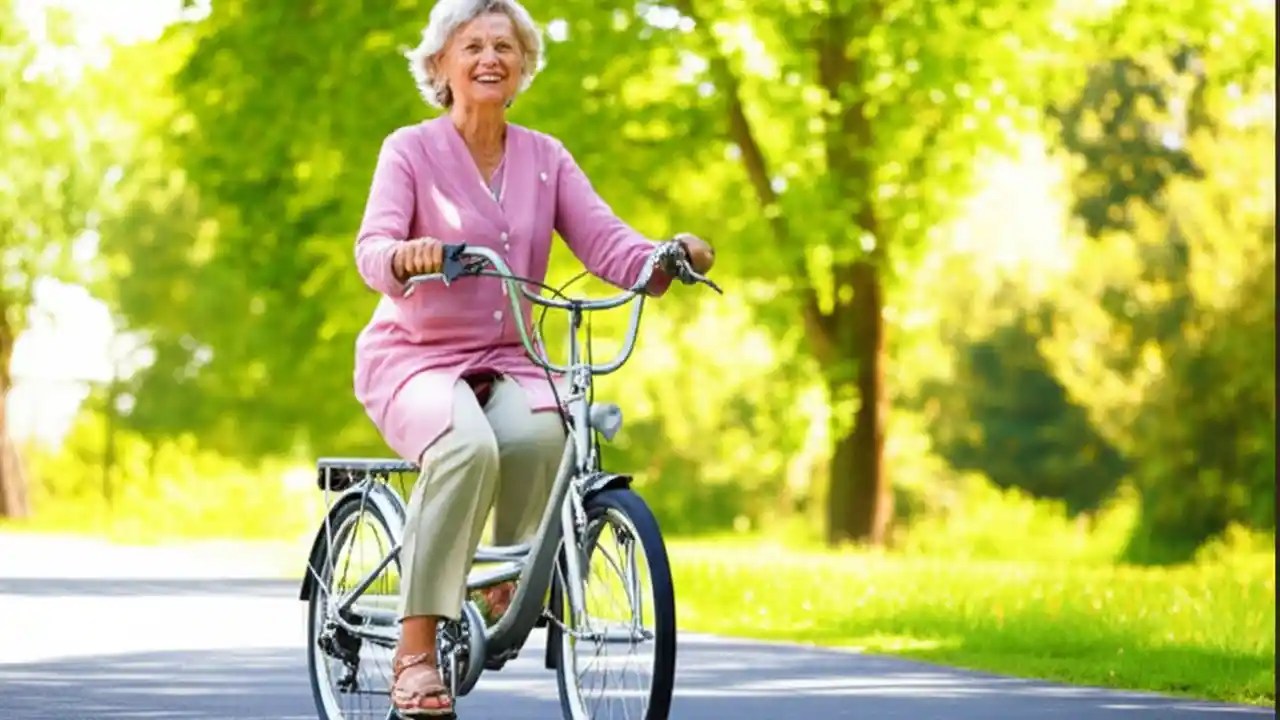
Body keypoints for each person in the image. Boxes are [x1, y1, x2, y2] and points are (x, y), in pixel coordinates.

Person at [351, 0, 715, 715]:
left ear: (522, 69)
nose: (491, 58)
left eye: (506, 48)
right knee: (466, 450)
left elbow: (609, 245)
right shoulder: (410, 150)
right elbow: (371, 250)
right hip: (415, 356)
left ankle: (503, 583)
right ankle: (416, 647)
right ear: (441, 65)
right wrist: (408, 254)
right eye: (474, 46)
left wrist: (667, 257)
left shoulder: (545, 158)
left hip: (508, 354)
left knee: (549, 433)